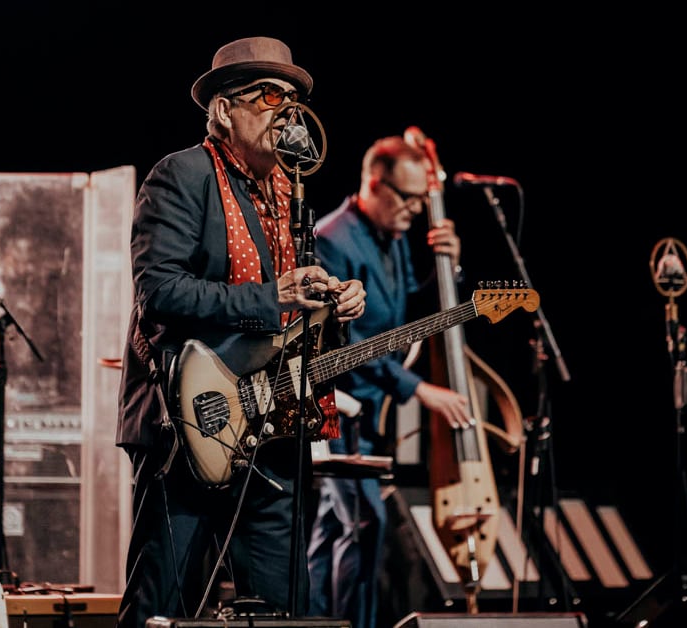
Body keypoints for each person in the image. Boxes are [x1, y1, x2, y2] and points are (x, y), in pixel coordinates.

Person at [115, 36, 367, 628]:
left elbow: (290, 313)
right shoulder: (183, 174)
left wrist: (334, 303)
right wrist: (272, 295)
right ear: (225, 110)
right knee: (163, 603)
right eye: (268, 98)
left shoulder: (287, 194)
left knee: (283, 609)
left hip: (274, 426)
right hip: (190, 421)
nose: (285, 113)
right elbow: (160, 290)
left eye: (292, 101)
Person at [306, 135, 473, 628]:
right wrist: (418, 389)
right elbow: (349, 342)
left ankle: (316, 620)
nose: (417, 209)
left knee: (334, 528)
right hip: (336, 409)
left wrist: (450, 264)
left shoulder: (392, 237)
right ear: (374, 184)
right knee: (365, 524)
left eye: (423, 199)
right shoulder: (332, 240)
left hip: (370, 410)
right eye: (409, 198)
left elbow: (401, 314)